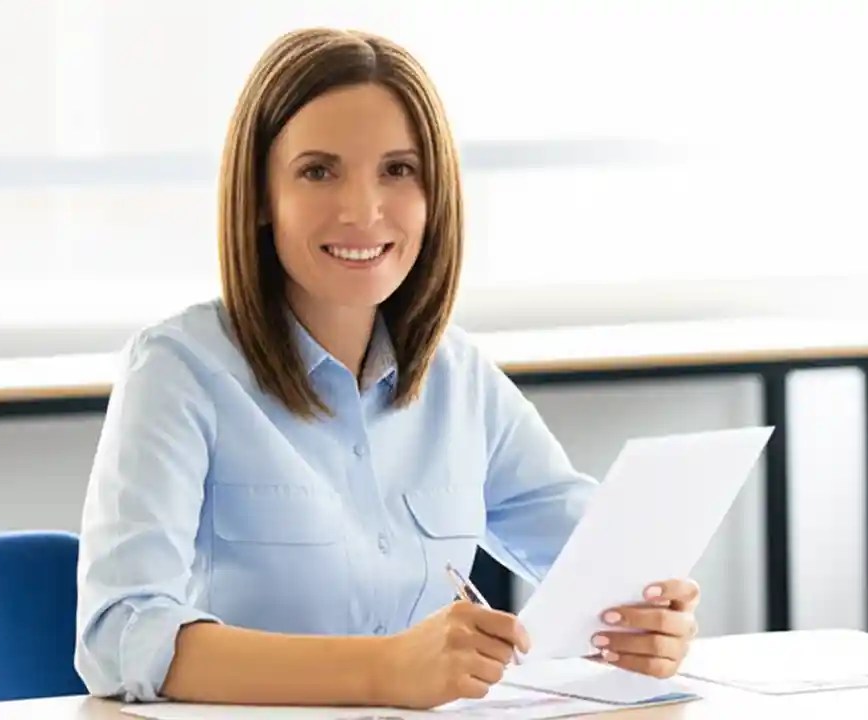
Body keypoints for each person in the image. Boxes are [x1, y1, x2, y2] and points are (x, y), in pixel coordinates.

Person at [74, 27, 700, 710]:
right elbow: (120, 636)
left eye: (398, 171)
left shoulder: (459, 377)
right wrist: (380, 671)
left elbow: (601, 562)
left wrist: (650, 619)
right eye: (319, 171)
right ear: (259, 196)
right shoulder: (179, 371)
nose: (362, 210)